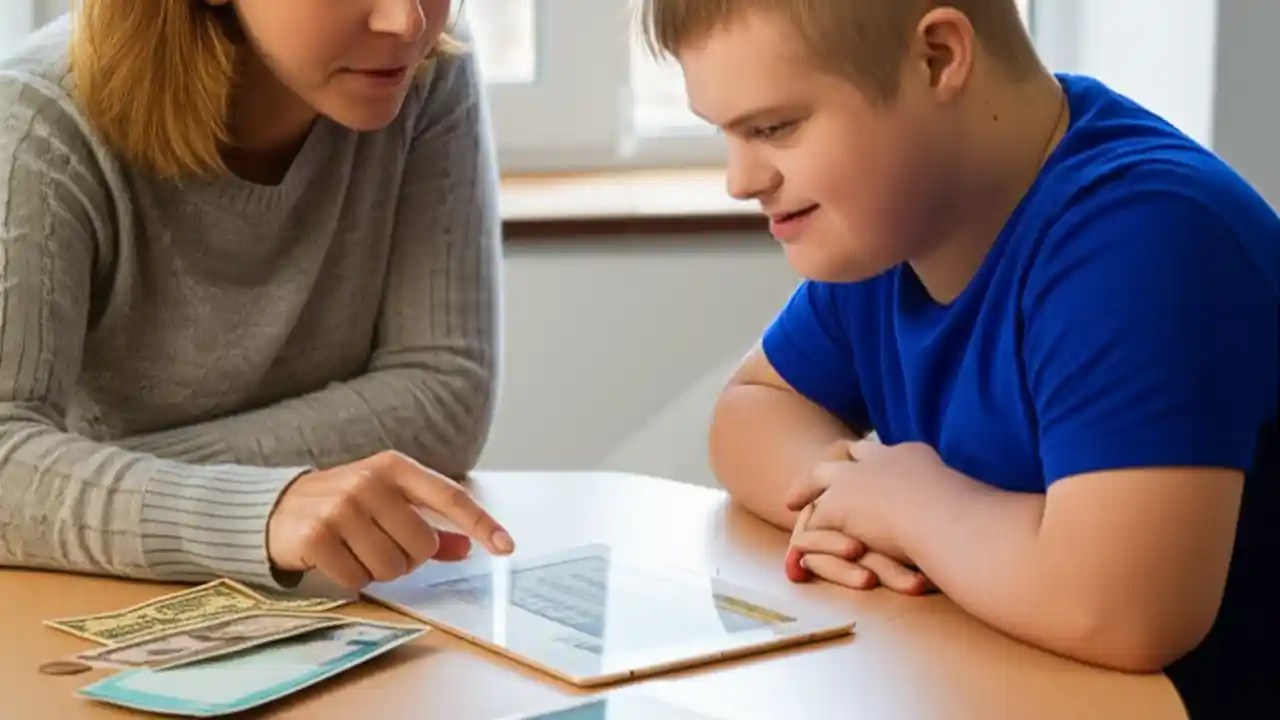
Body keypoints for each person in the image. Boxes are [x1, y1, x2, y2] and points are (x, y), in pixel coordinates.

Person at [642, 0, 1278, 714]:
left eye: (775, 128)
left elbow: (1122, 609)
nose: (740, 179)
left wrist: (916, 507)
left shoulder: (1146, 240)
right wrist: (849, 505)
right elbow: (751, 410)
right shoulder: (898, 220)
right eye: (727, 134)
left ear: (939, 58)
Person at [0, 0, 515, 595]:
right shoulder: (33, 124)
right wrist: (259, 509)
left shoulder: (424, 67)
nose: (406, 21)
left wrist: (89, 480)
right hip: (69, 600)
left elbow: (445, 392)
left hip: (329, 596)